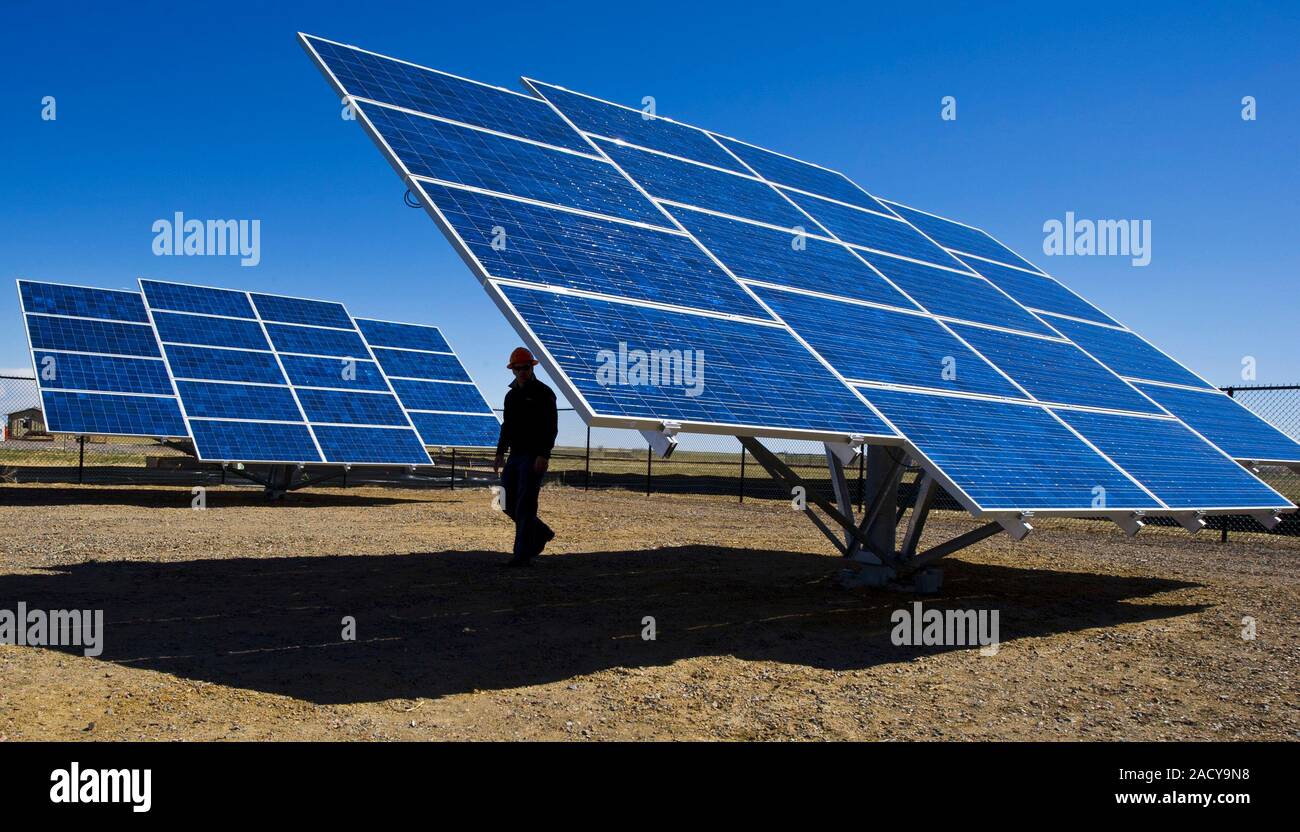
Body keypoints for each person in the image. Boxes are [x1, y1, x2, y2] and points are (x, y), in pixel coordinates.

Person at [494, 347, 558, 566]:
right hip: (515, 456)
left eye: (526, 367)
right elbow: (507, 427)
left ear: (532, 368)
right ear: (512, 370)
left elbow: (551, 427)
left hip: (533, 457)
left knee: (525, 505)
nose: (522, 371)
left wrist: (543, 454)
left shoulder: (544, 393)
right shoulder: (511, 396)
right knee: (503, 501)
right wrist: (500, 452)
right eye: (518, 368)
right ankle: (541, 532)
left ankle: (522, 555)